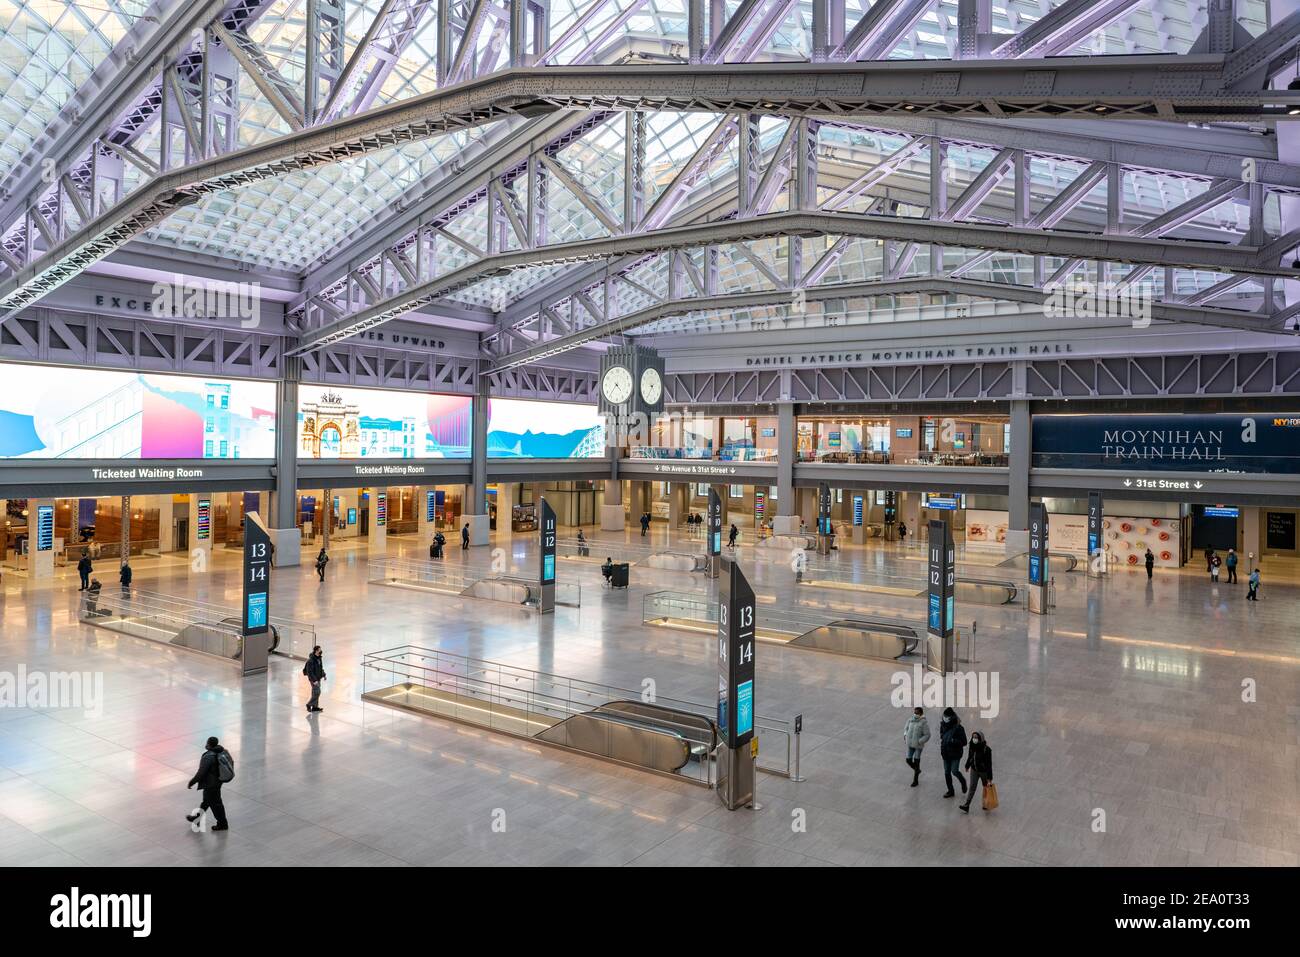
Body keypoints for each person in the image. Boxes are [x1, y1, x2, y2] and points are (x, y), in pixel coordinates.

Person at [185, 736, 231, 831]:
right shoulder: (221, 751)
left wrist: (192, 782)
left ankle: (222, 824)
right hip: (217, 781)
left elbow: (201, 772)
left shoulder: (209, 756)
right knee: (206, 801)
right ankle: (197, 819)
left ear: (209, 744)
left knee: (216, 805)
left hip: (211, 784)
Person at [959, 732, 993, 813]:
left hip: (983, 772)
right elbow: (970, 757)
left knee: (986, 788)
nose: (974, 739)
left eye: (976, 737)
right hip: (974, 770)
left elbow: (989, 764)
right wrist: (967, 765)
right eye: (973, 737)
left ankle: (986, 803)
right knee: (972, 787)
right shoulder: (972, 746)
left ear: (981, 738)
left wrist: (989, 777)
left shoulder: (986, 749)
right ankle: (967, 805)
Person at [938, 707, 968, 799]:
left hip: (955, 753)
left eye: (947, 716)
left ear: (951, 717)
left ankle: (963, 781)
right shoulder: (943, 725)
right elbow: (941, 735)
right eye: (944, 716)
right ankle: (950, 790)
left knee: (954, 771)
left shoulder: (959, 728)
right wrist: (944, 738)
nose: (945, 718)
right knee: (947, 772)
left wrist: (953, 740)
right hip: (945, 752)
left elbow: (964, 742)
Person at [903, 706, 930, 788]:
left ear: (921, 713)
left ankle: (915, 780)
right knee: (908, 760)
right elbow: (906, 728)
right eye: (915, 712)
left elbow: (927, 735)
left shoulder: (923, 723)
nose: (915, 714)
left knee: (917, 761)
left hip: (918, 746)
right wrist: (905, 735)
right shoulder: (910, 719)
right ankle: (917, 770)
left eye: (917, 713)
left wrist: (920, 741)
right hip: (910, 744)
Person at [303, 645, 326, 713]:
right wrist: (314, 680)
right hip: (314, 679)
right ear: (316, 651)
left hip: (318, 678)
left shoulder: (319, 658)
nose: (321, 651)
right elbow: (309, 672)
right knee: (317, 692)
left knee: (314, 693)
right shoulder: (311, 660)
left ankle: (315, 707)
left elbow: (320, 668)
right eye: (319, 650)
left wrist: (324, 674)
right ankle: (309, 704)